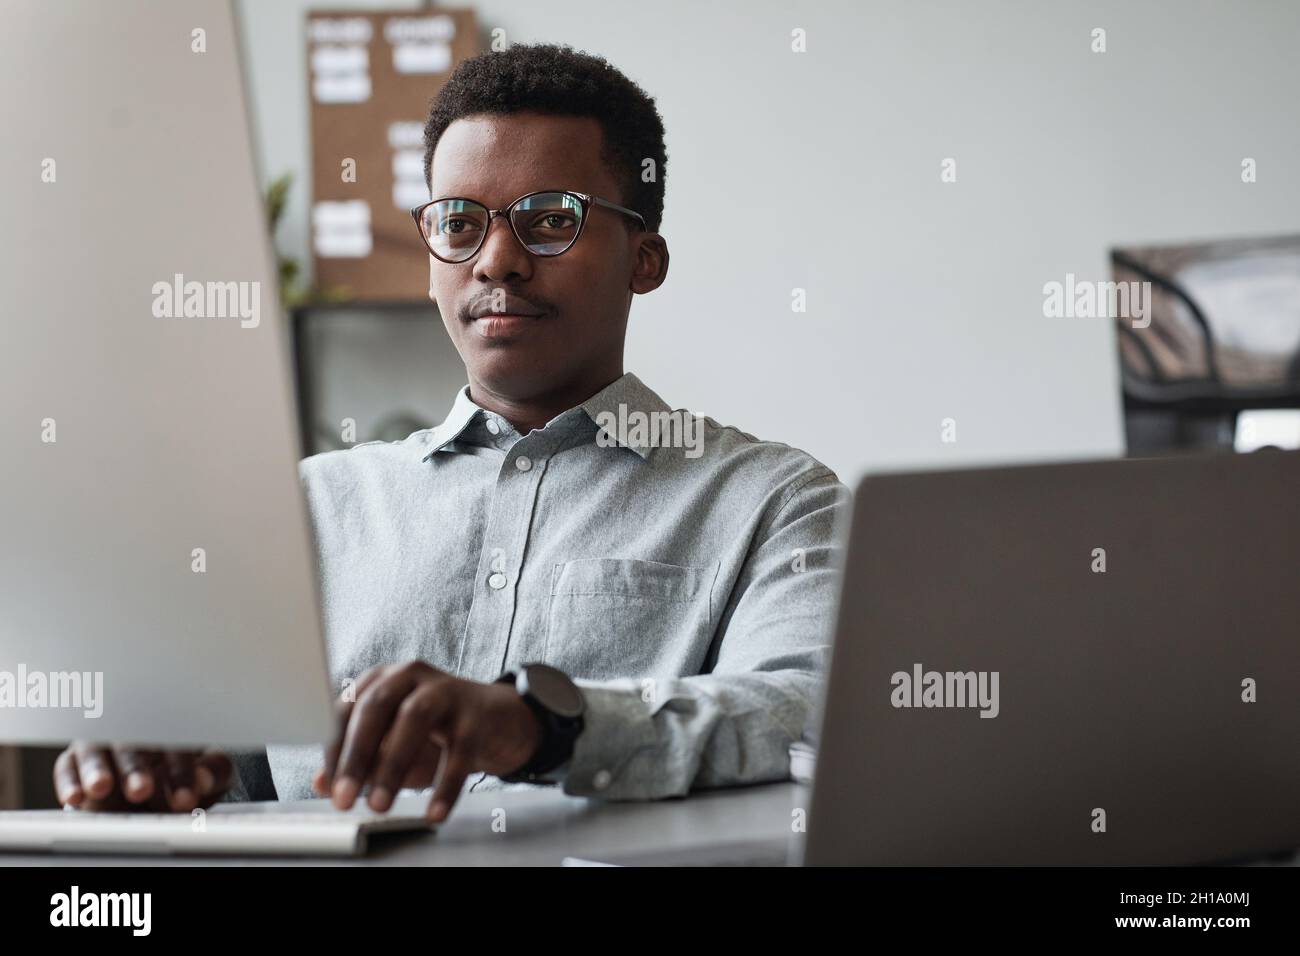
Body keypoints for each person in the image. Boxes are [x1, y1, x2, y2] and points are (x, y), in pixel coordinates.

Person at [54, 43, 850, 822]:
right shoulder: (303, 512)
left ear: (644, 259)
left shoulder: (776, 502)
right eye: (460, 223)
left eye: (548, 221)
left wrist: (540, 726)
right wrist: (154, 780)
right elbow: (230, 783)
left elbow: (808, 715)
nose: (497, 260)